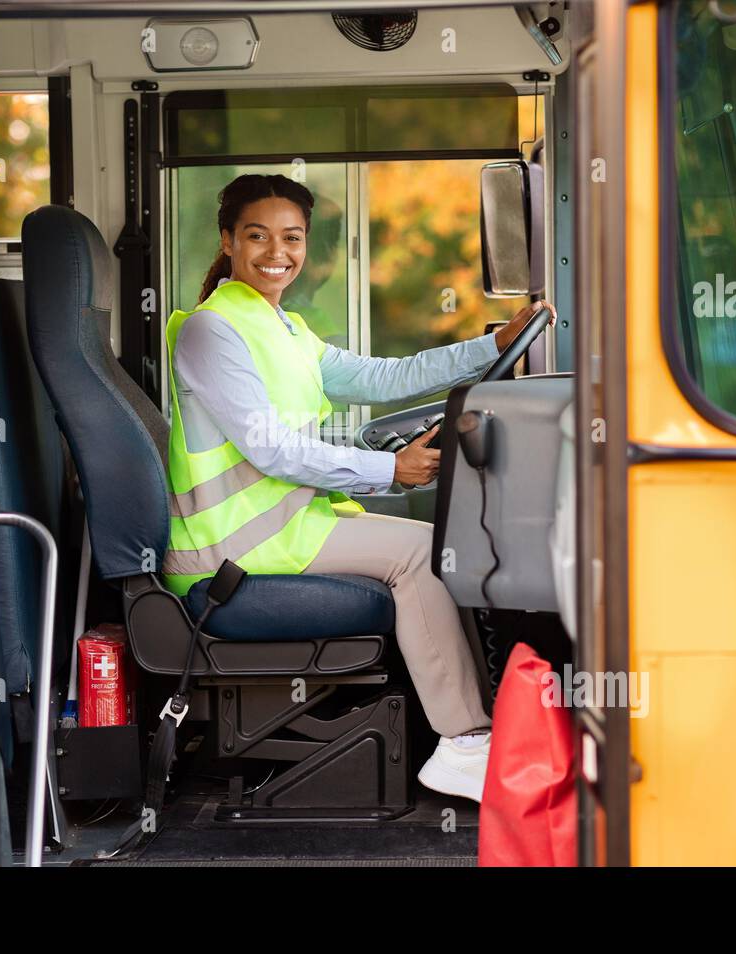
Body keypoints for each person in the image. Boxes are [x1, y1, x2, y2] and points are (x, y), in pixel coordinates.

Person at [162, 173, 555, 802]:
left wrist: (492, 346)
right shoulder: (212, 331)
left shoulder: (285, 330)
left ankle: (470, 734)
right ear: (229, 240)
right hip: (228, 550)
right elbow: (273, 449)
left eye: (291, 238)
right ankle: (462, 745)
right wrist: (391, 472)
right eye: (257, 236)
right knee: (422, 554)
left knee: (433, 541)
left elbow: (386, 376)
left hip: (282, 530)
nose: (277, 252)